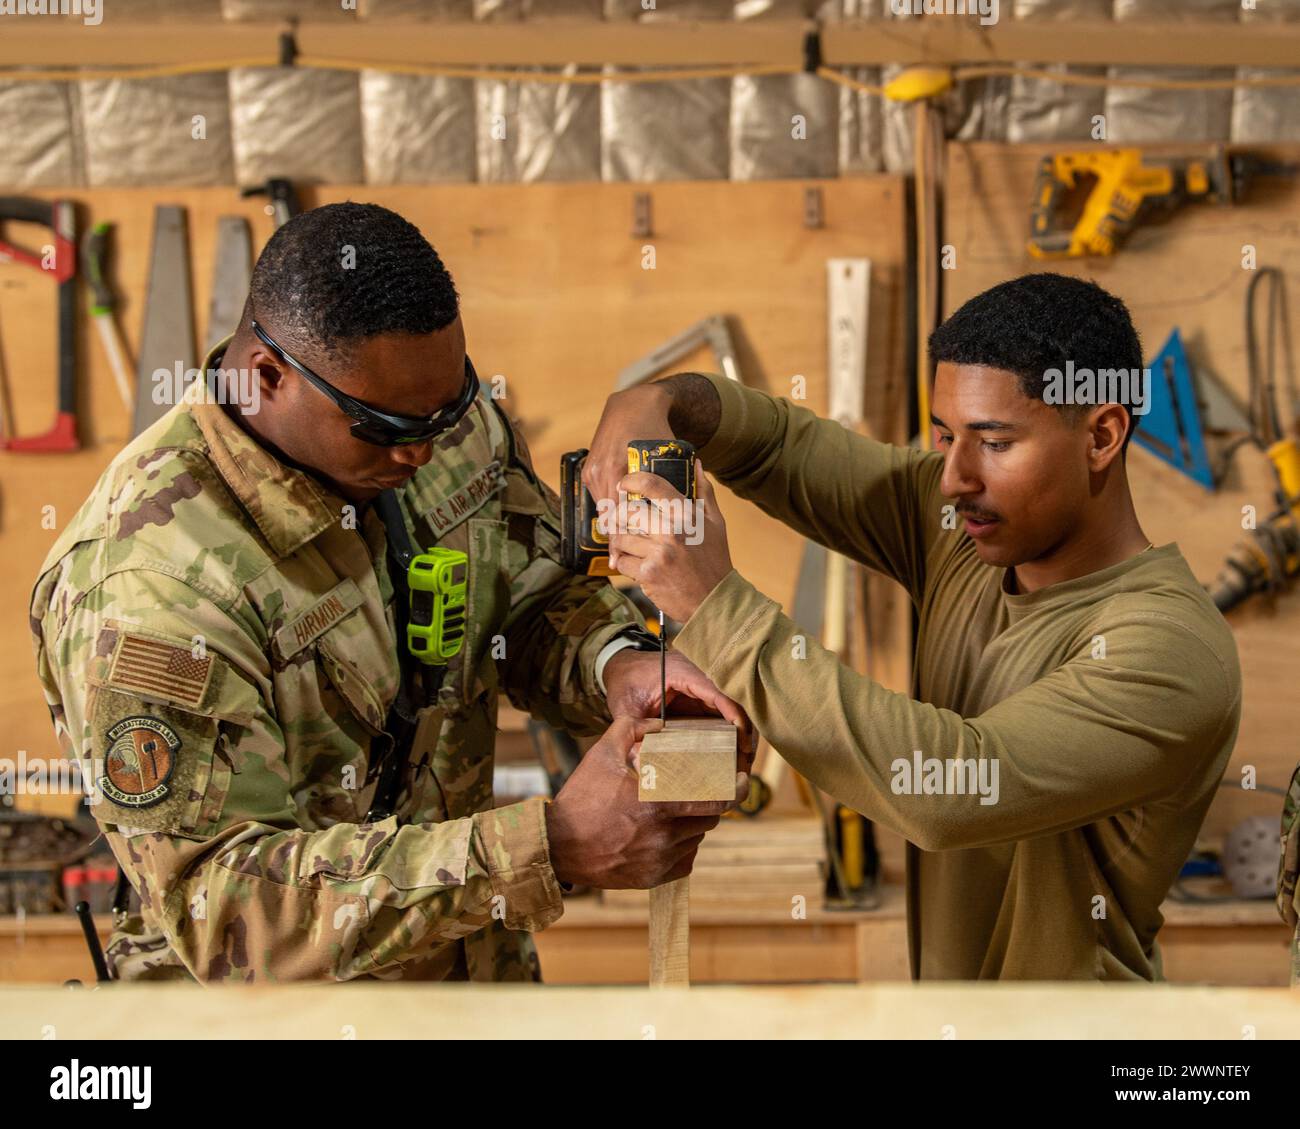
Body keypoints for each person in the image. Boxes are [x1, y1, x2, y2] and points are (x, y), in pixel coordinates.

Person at [30, 203, 748, 983]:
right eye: (381, 427)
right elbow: (229, 911)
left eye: (450, 408)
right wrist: (547, 844)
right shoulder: (150, 586)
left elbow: (529, 594)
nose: (422, 449)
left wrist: (619, 663)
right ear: (267, 376)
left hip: (468, 984)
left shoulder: (434, 424)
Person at [584, 273, 1242, 981]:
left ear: (1102, 435)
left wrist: (716, 606)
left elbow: (949, 788)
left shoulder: (1170, 647)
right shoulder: (962, 528)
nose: (955, 476)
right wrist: (660, 402)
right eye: (945, 435)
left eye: (993, 441)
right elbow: (781, 448)